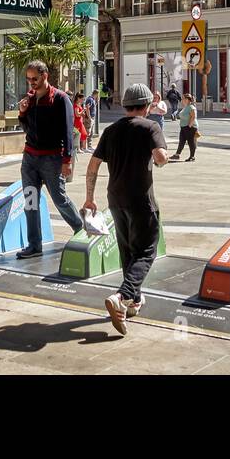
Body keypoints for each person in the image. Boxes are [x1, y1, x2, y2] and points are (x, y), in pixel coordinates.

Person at [81, 83, 169, 336]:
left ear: (126, 105)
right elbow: (161, 157)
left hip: (115, 199)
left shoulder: (110, 130)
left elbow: (93, 166)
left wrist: (89, 198)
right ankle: (122, 296)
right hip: (141, 200)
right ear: (147, 105)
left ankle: (133, 302)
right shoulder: (150, 127)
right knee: (146, 252)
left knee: (128, 252)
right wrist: (163, 159)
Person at [15, 60, 84, 259]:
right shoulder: (30, 99)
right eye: (28, 80)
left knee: (59, 198)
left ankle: (81, 231)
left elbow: (68, 133)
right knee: (30, 201)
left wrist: (67, 160)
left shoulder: (61, 99)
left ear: (45, 76)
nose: (31, 83)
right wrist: (22, 113)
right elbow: (27, 128)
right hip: (30, 158)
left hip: (51, 158)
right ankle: (34, 245)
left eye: (34, 79)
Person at [172, 93, 198, 161]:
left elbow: (193, 116)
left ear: (187, 99)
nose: (182, 100)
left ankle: (192, 156)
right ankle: (177, 154)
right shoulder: (185, 107)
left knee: (191, 142)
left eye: (183, 98)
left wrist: (189, 125)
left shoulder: (191, 107)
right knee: (182, 141)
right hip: (183, 127)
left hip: (190, 127)